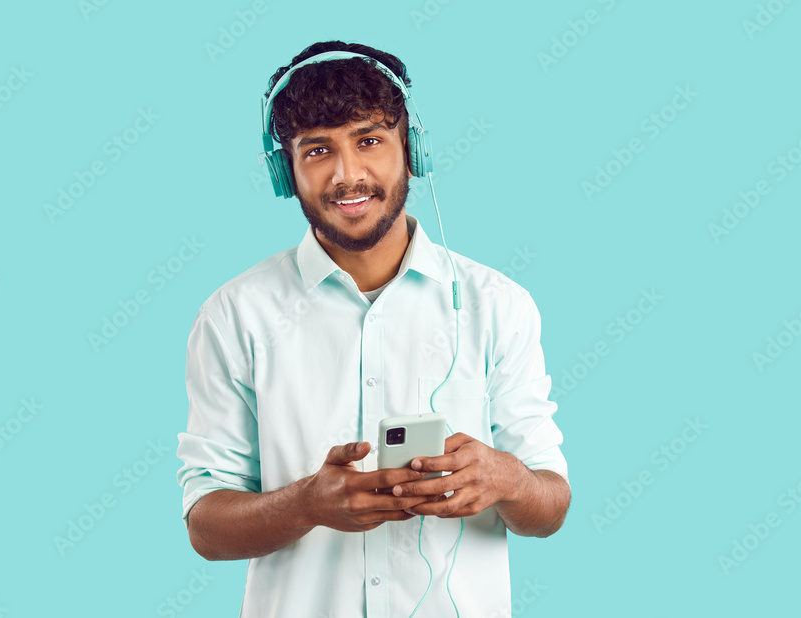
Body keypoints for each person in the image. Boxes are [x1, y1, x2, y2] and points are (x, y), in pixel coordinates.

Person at [176, 40, 571, 617]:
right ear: (284, 170)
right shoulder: (234, 315)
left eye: (369, 140)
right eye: (317, 150)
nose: (347, 174)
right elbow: (206, 528)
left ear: (412, 150)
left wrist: (507, 478)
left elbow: (550, 506)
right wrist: (305, 505)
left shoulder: (498, 305)